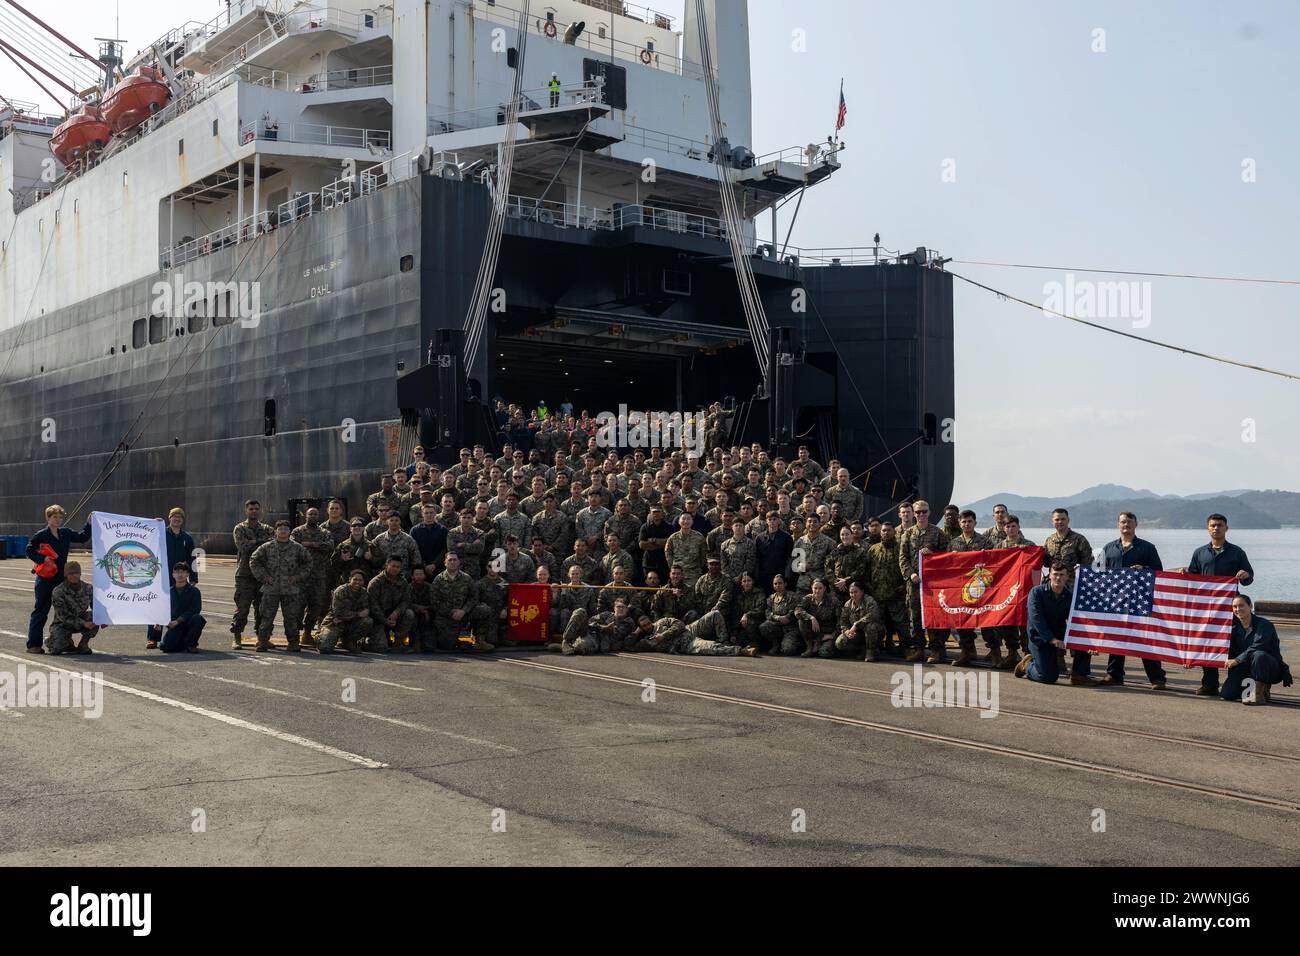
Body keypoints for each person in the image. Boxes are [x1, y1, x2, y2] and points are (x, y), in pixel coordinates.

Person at [1183, 513, 1255, 697]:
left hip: (1231, 607)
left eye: (1220, 525)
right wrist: (1184, 574)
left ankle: (1236, 682)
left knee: (1234, 644)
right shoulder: (1199, 552)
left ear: (1226, 528)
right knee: (1208, 643)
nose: (1216, 528)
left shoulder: (1237, 552)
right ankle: (1210, 684)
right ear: (1208, 528)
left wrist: (1245, 575)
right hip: (1207, 608)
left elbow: (1249, 577)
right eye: (1213, 525)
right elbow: (1193, 577)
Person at [1098, 511, 1167, 690]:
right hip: (1116, 600)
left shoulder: (1147, 548)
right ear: (1118, 525)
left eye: (1129, 522)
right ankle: (1114, 675)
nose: (1126, 524)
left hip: (1140, 600)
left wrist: (1144, 569)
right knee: (1117, 636)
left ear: (1136, 524)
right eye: (1123, 522)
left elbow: (1159, 571)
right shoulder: (1108, 548)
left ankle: (1157, 678)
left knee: (1145, 638)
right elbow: (1098, 573)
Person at [26, 505, 92, 654]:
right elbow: (29, 550)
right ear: (48, 518)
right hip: (45, 579)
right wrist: (42, 558)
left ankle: (65, 642)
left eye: (60, 517)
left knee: (64, 611)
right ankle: (33, 645)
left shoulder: (66, 533)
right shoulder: (41, 535)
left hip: (62, 579)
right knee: (41, 611)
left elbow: (82, 537)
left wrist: (88, 524)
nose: (58, 520)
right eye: (55, 517)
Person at [1042, 508, 1097, 685]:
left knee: (1077, 625)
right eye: (1057, 519)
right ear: (1052, 521)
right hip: (1054, 588)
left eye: (1063, 519)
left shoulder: (1079, 539)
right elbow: (1045, 562)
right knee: (1055, 623)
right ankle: (1058, 660)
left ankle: (1078, 669)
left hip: (1073, 588)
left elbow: (1088, 563)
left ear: (1068, 520)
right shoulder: (1049, 540)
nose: (1060, 522)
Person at [249, 519, 312, 652]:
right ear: (276, 531)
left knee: (291, 618)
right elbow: (254, 560)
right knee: (266, 617)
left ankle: (293, 642)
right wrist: (264, 576)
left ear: (289, 531)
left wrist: (298, 577)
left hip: (290, 589)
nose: (283, 531)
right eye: (280, 529)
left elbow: (308, 563)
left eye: (286, 529)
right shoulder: (267, 547)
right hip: (271, 588)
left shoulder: (297, 548)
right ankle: (263, 641)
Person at [898, 499, 948, 664]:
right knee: (915, 617)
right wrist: (910, 574)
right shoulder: (908, 534)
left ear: (929, 512)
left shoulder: (938, 533)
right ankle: (919, 649)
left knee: (933, 615)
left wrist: (933, 554)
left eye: (924, 511)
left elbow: (946, 556)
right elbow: (902, 558)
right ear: (914, 513)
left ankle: (936, 650)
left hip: (932, 584)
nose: (921, 515)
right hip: (914, 584)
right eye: (918, 512)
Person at [1221, 595, 1290, 705]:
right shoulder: (1233, 628)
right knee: (1228, 694)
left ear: (1250, 606)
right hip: (1245, 668)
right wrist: (1194, 659)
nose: (1238, 609)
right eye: (1235, 607)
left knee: (1258, 654)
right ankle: (1259, 689)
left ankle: (1259, 694)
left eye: (1241, 605)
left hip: (1269, 667)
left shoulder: (1264, 625)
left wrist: (1237, 660)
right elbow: (1222, 648)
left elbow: (1258, 646)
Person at [1016, 563, 1077, 685]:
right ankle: (1027, 666)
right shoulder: (1037, 592)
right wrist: (1051, 639)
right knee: (1047, 677)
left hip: (1057, 638)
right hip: (1039, 638)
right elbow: (1036, 619)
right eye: (1055, 574)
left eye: (1062, 575)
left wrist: (1087, 644)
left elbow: (1075, 620)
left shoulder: (1069, 597)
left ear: (1067, 577)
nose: (1058, 578)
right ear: (1049, 575)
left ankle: (1079, 673)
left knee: (1054, 672)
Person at [231, 500, 274, 648]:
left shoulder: (267, 528)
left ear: (260, 510)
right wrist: (262, 542)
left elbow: (272, 546)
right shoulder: (240, 528)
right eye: (251, 509)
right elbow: (243, 547)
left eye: (256, 509)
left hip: (262, 575)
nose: (254, 511)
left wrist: (253, 541)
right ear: (246, 511)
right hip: (245, 575)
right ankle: (237, 637)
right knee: (242, 608)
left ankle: (261, 638)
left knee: (262, 609)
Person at [45, 560, 100, 655]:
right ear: (66, 575)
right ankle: (53, 641)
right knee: (56, 650)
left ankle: (83, 644)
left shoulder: (88, 588)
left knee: (96, 616)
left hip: (80, 618)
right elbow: (63, 616)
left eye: (76, 573)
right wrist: (84, 623)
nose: (74, 576)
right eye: (71, 573)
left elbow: (96, 607)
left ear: (80, 574)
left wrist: (103, 619)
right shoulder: (58, 591)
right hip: (62, 624)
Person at [317, 570, 373, 654]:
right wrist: (358, 614)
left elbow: (366, 611)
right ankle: (319, 636)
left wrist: (347, 616)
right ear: (350, 579)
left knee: (368, 621)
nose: (357, 582)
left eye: (360, 580)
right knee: (325, 648)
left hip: (350, 623)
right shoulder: (341, 590)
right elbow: (338, 613)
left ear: (363, 581)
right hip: (334, 624)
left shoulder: (364, 592)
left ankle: (349, 641)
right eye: (355, 579)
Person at [154, 563, 205, 653]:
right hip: (174, 626)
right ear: (173, 575)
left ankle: (191, 644)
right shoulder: (168, 592)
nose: (180, 574)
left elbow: (195, 609)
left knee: (198, 618)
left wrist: (178, 621)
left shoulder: (194, 591)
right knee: (165, 647)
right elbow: (163, 609)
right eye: (177, 572)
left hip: (188, 623)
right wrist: (159, 622)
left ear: (187, 574)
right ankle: (183, 642)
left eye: (183, 572)